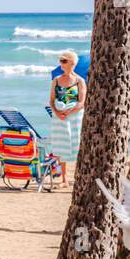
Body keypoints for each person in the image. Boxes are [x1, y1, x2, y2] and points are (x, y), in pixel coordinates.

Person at [48, 51, 87, 187]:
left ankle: (78, 177)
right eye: (61, 61)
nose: (61, 64)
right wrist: (57, 113)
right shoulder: (56, 80)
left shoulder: (79, 81)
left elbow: (82, 102)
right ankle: (63, 179)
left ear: (73, 63)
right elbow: (51, 100)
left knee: (77, 145)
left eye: (64, 61)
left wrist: (69, 111)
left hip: (75, 116)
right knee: (60, 147)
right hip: (59, 118)